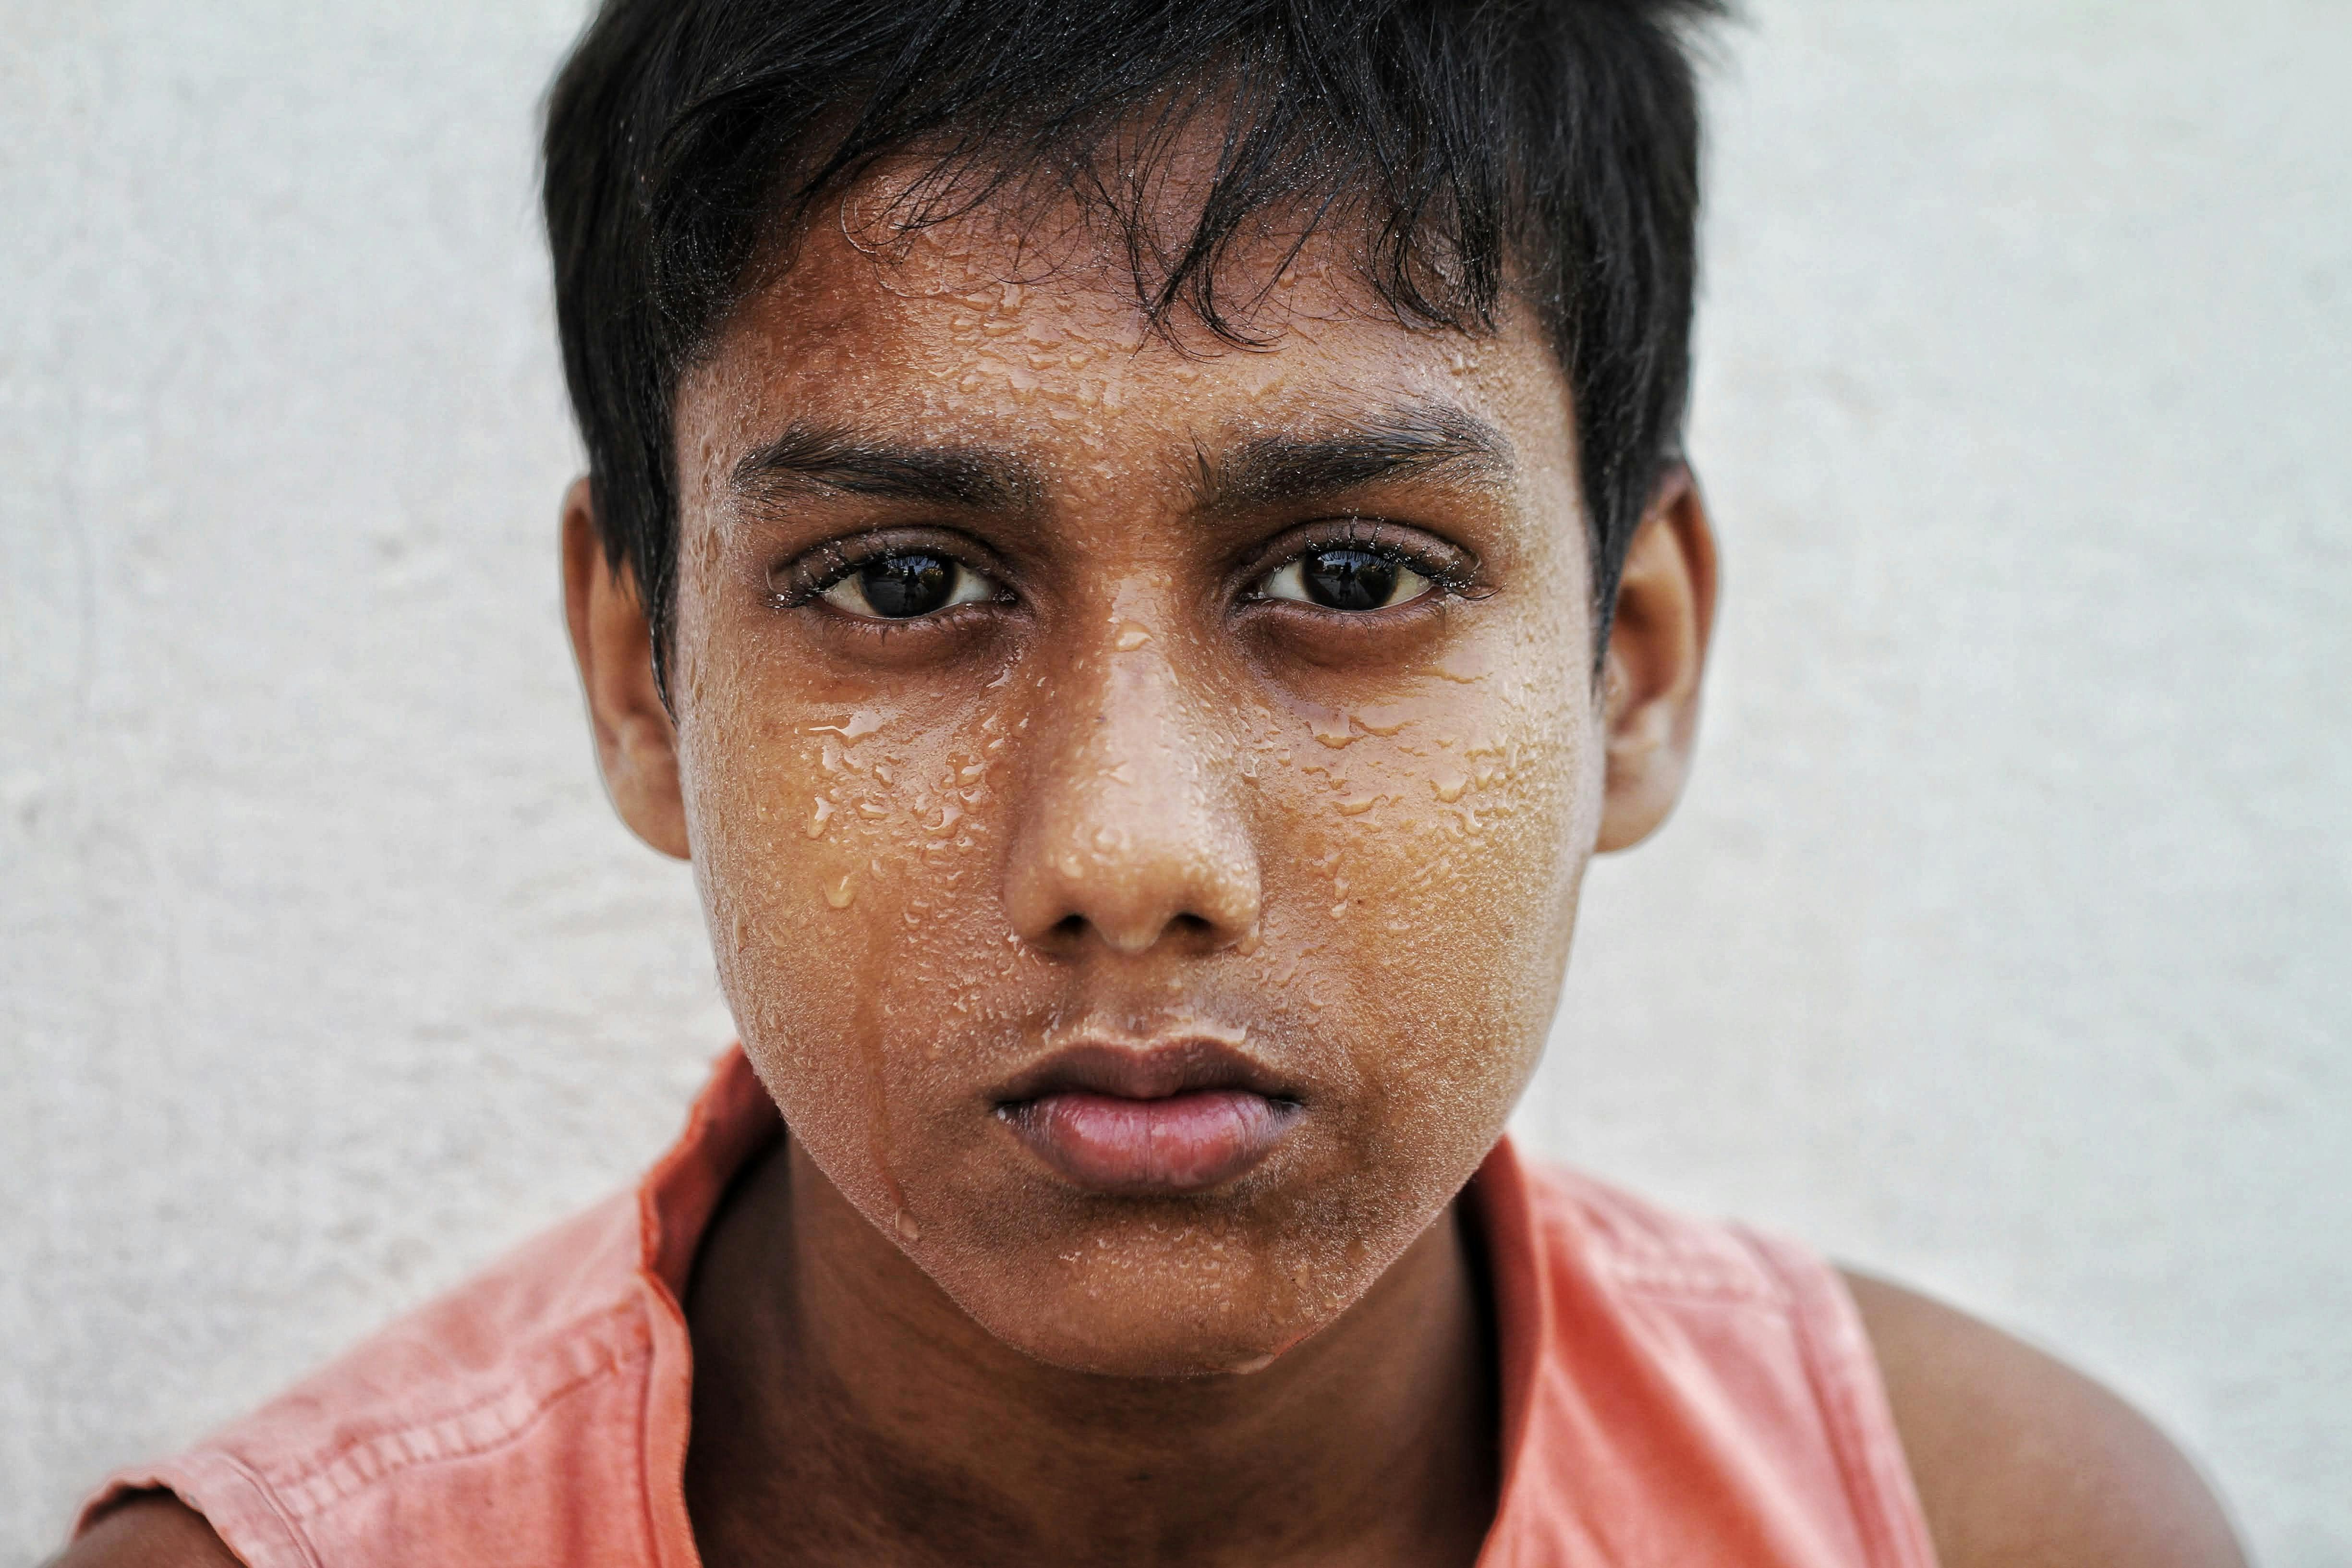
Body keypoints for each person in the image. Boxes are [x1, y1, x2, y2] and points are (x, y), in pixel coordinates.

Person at [58, 0, 2247, 1563]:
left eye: (1350, 572)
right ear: (643, 671)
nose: (1131, 850)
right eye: (904, 578)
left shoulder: (1996, 1527)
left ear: (1633, 661)